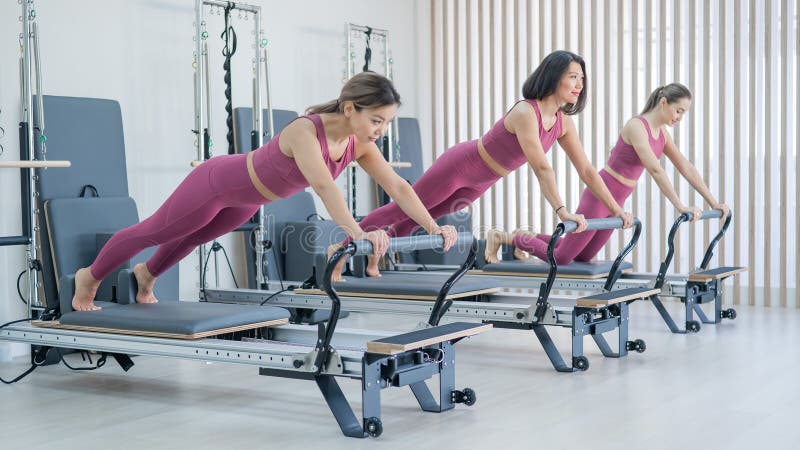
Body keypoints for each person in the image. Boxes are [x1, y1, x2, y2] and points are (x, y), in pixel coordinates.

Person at [71, 72, 457, 311]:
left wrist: (433, 227)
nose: (380, 131)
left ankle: (147, 274)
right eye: (376, 120)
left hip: (247, 200)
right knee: (158, 231)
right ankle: (90, 276)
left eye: (386, 123)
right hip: (216, 184)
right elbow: (323, 186)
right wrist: (357, 233)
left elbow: (399, 187)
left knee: (194, 238)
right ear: (351, 108)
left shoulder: (361, 144)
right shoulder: (305, 131)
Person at [331, 50, 632, 280]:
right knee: (402, 209)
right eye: (572, 76)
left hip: (482, 180)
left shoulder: (563, 122)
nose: (579, 84)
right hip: (460, 166)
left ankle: (374, 256)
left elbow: (588, 171)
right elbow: (542, 168)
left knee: (428, 214)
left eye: (582, 78)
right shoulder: (527, 112)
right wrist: (562, 210)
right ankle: (341, 251)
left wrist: (615, 208)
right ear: (554, 77)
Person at [485, 83, 730, 265]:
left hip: (618, 199)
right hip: (599, 196)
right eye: (679, 110)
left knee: (583, 255)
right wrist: (680, 205)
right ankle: (506, 238)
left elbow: (685, 166)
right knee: (561, 258)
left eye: (684, 113)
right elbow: (655, 169)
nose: (680, 117)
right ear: (664, 102)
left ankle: (525, 236)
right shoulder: (637, 126)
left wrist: (713, 202)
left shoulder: (662, 134)